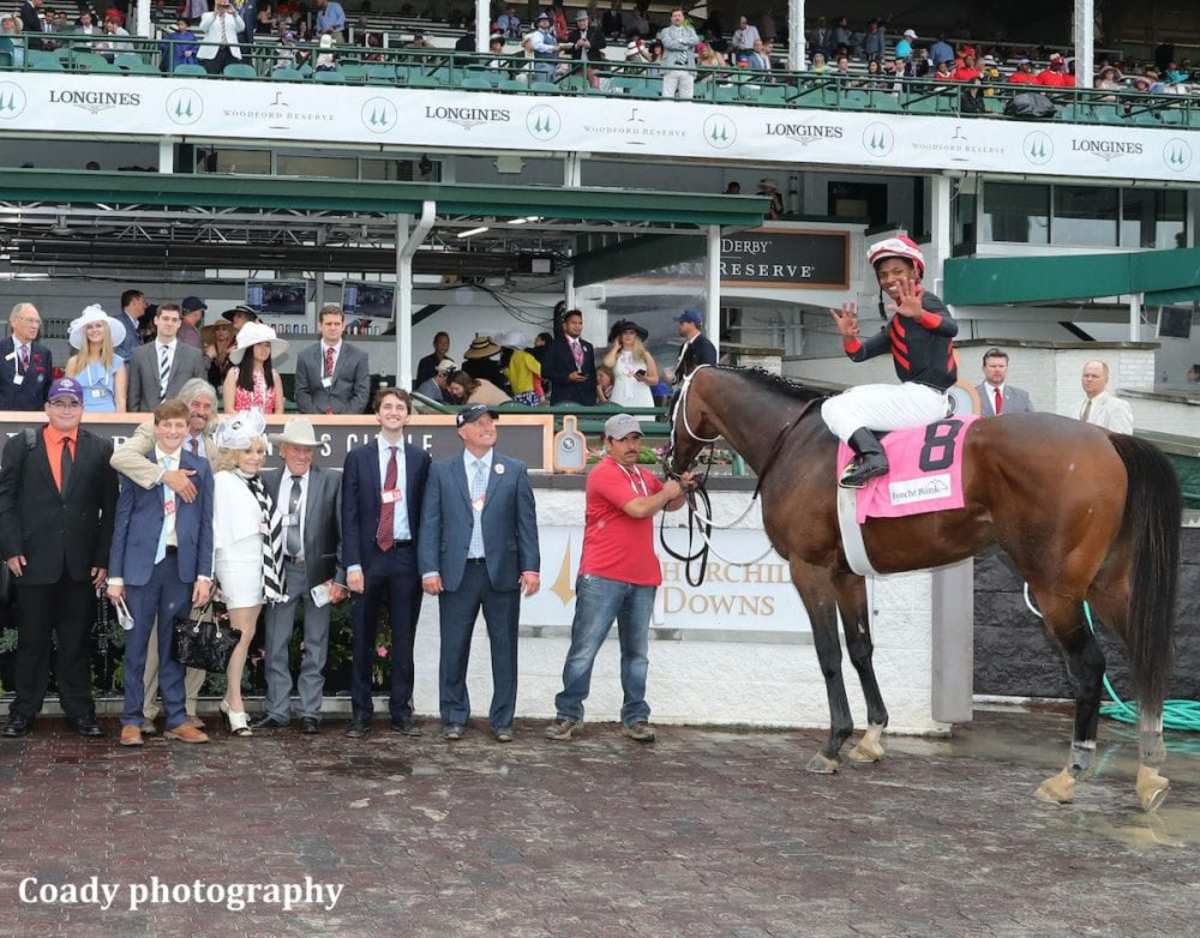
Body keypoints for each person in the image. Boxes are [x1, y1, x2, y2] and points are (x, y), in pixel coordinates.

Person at [545, 414, 691, 743]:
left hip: (639, 576)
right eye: (624, 440)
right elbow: (639, 509)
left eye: (636, 439)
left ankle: (635, 717)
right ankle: (568, 714)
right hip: (602, 575)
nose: (632, 446)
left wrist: (680, 489)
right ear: (607, 444)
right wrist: (667, 491)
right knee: (585, 649)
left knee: (636, 653)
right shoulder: (603, 474)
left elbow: (670, 505)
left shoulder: (641, 474)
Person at [0, 378, 117, 739]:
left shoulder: (100, 449)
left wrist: (102, 558)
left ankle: (80, 711)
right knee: (32, 642)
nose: (66, 409)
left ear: (82, 409)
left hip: (80, 566)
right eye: (59, 403)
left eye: (73, 403)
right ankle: (23, 711)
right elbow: (5, 502)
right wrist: (11, 549)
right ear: (47, 408)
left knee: (75, 643)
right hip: (33, 562)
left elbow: (110, 509)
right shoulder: (22, 445)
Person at [418, 405, 540, 742]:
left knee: (504, 649)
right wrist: (429, 568)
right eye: (480, 423)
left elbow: (525, 523)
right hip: (457, 574)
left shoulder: (513, 470)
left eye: (490, 422)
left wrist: (531, 567)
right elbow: (430, 523)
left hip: (501, 574)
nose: (488, 427)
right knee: (453, 649)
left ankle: (503, 720)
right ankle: (454, 716)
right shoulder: (442, 471)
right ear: (463, 431)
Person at [110, 378, 218, 732]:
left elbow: (205, 525)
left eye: (179, 425)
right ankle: (132, 718)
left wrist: (204, 575)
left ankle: (176, 718)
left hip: (180, 569)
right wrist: (115, 576)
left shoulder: (199, 468)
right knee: (137, 648)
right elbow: (122, 523)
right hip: (141, 569)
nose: (173, 431)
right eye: (166, 425)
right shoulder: (138, 464)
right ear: (155, 429)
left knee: (174, 648)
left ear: (188, 430)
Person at [824, 237, 958, 488]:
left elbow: (952, 328)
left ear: (915, 271)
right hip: (916, 395)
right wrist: (848, 336)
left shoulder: (925, 302)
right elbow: (859, 354)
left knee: (832, 408)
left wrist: (920, 314)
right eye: (883, 275)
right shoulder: (897, 322)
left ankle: (873, 458)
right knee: (851, 394)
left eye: (897, 272)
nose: (889, 280)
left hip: (925, 397)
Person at [341, 388, 431, 739]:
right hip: (368, 559)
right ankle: (361, 713)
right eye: (387, 407)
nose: (394, 412)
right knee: (362, 637)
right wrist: (351, 564)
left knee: (403, 640)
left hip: (406, 558)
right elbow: (348, 515)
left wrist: (427, 564)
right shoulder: (358, 458)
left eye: (400, 407)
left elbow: (427, 514)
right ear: (377, 414)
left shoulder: (421, 459)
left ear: (408, 415)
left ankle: (400, 711)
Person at [251, 418, 347, 734]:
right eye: (296, 448)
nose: (302, 455)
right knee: (276, 642)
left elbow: (343, 532)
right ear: (282, 450)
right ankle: (278, 709)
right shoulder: (268, 481)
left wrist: (340, 576)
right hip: (282, 570)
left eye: (308, 450)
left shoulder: (331, 482)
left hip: (319, 573)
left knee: (316, 643)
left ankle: (310, 711)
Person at [211, 410, 286, 736]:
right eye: (248, 451)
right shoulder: (223, 481)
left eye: (259, 451)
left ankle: (229, 699)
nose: (256, 457)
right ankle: (236, 705)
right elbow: (216, 528)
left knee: (248, 633)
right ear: (232, 453)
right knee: (240, 636)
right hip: (236, 561)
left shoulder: (256, 482)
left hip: (259, 562)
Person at [127, 303, 207, 413]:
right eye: (165, 319)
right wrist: (135, 420)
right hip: (146, 419)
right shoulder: (139, 354)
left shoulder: (194, 355)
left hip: (181, 420)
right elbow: (133, 394)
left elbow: (200, 391)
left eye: (174, 320)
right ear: (156, 320)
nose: (169, 323)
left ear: (179, 323)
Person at [294, 304, 371, 415]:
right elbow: (301, 392)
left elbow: (362, 394)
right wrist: (316, 417)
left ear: (343, 326)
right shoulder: (305, 356)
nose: (333, 328)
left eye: (337, 324)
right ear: (320, 326)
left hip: (346, 422)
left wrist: (342, 419)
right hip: (314, 420)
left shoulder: (359, 356)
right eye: (328, 324)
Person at [65, 304, 128, 414]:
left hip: (109, 419)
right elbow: (68, 398)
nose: (94, 330)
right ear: (85, 332)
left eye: (98, 325)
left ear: (106, 329)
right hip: (80, 418)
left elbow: (120, 400)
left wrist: (119, 427)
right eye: (89, 327)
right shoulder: (74, 362)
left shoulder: (117, 362)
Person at [223, 321, 286, 415]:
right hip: (240, 427)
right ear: (249, 348)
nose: (264, 349)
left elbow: (279, 410)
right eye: (258, 344)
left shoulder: (274, 375)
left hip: (269, 427)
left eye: (267, 345)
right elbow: (228, 410)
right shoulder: (234, 374)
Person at [0, 303, 53, 411]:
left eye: (37, 322)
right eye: (30, 320)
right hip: (5, 419)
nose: (35, 326)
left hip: (35, 418)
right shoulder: (1, 349)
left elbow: (47, 389)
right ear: (14, 321)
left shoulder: (44, 353)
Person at [543, 309, 597, 405]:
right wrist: (567, 377)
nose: (577, 326)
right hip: (563, 399)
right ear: (564, 326)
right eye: (573, 323)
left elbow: (592, 374)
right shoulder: (554, 346)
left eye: (580, 323)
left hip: (586, 401)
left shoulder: (588, 346)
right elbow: (545, 371)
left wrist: (593, 397)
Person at [604, 320, 657, 414]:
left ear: (636, 336)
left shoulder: (644, 354)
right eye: (625, 333)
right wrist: (616, 347)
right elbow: (607, 363)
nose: (628, 336)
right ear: (620, 336)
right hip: (620, 396)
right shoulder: (616, 354)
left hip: (641, 398)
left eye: (631, 333)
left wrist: (644, 379)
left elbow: (655, 380)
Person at [1076, 361, 1133, 433]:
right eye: (1086, 375)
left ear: (1106, 380)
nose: (1089, 379)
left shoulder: (1118, 407)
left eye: (1094, 376)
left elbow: (1121, 442)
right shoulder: (1075, 407)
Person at [977, 348, 1033, 416]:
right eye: (993, 366)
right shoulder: (971, 396)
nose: (997, 370)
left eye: (1001, 366)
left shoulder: (1021, 397)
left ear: (1006, 369)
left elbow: (1032, 423)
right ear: (984, 369)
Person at [658, 7, 698, 100]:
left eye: (679, 15)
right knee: (667, 98)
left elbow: (696, 40)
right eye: (675, 16)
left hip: (687, 68)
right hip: (671, 67)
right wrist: (686, 44)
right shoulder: (665, 31)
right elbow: (668, 44)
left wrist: (680, 40)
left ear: (683, 18)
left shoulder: (690, 30)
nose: (677, 18)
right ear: (671, 18)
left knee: (687, 99)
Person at [196, 0, 244, 74]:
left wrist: (235, 14)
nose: (222, 7)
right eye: (220, 4)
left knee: (231, 77)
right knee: (211, 76)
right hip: (213, 51)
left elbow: (241, 27)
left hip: (230, 51)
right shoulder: (207, 15)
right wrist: (215, 14)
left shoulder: (232, 16)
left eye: (224, 4)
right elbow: (203, 28)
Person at [671, 308, 717, 385]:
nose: (679, 326)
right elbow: (682, 372)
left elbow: (708, 375)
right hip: (685, 390)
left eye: (682, 323)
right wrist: (674, 378)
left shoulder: (705, 345)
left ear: (692, 324)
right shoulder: (685, 345)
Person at [498, 331, 544, 406]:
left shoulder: (506, 360)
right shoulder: (525, 356)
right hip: (529, 395)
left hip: (516, 396)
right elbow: (541, 371)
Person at [567, 10, 605, 88]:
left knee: (594, 88)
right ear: (577, 22)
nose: (582, 23)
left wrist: (590, 45)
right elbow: (567, 49)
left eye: (584, 20)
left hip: (593, 65)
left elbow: (603, 44)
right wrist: (576, 45)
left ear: (587, 20)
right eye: (579, 21)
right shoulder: (572, 34)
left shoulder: (595, 31)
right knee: (577, 88)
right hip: (578, 66)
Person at [204, 320, 236, 389]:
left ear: (229, 332)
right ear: (214, 333)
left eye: (224, 329)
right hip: (212, 385)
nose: (220, 332)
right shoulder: (209, 348)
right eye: (217, 330)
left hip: (230, 385)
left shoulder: (233, 347)